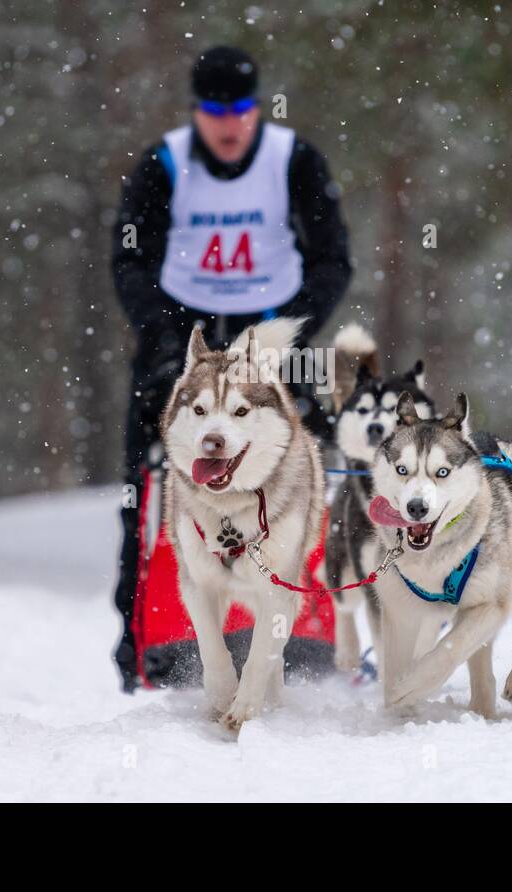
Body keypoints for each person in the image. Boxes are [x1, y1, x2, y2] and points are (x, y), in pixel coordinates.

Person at [110, 45, 352, 692]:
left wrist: (290, 328)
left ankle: (315, 638)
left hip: (271, 338)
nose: (229, 124)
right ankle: (146, 649)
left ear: (255, 109)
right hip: (181, 341)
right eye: (216, 111)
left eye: (240, 110)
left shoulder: (292, 159)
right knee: (149, 490)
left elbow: (333, 259)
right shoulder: (163, 165)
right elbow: (129, 258)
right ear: (197, 111)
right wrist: (162, 336)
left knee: (303, 477)